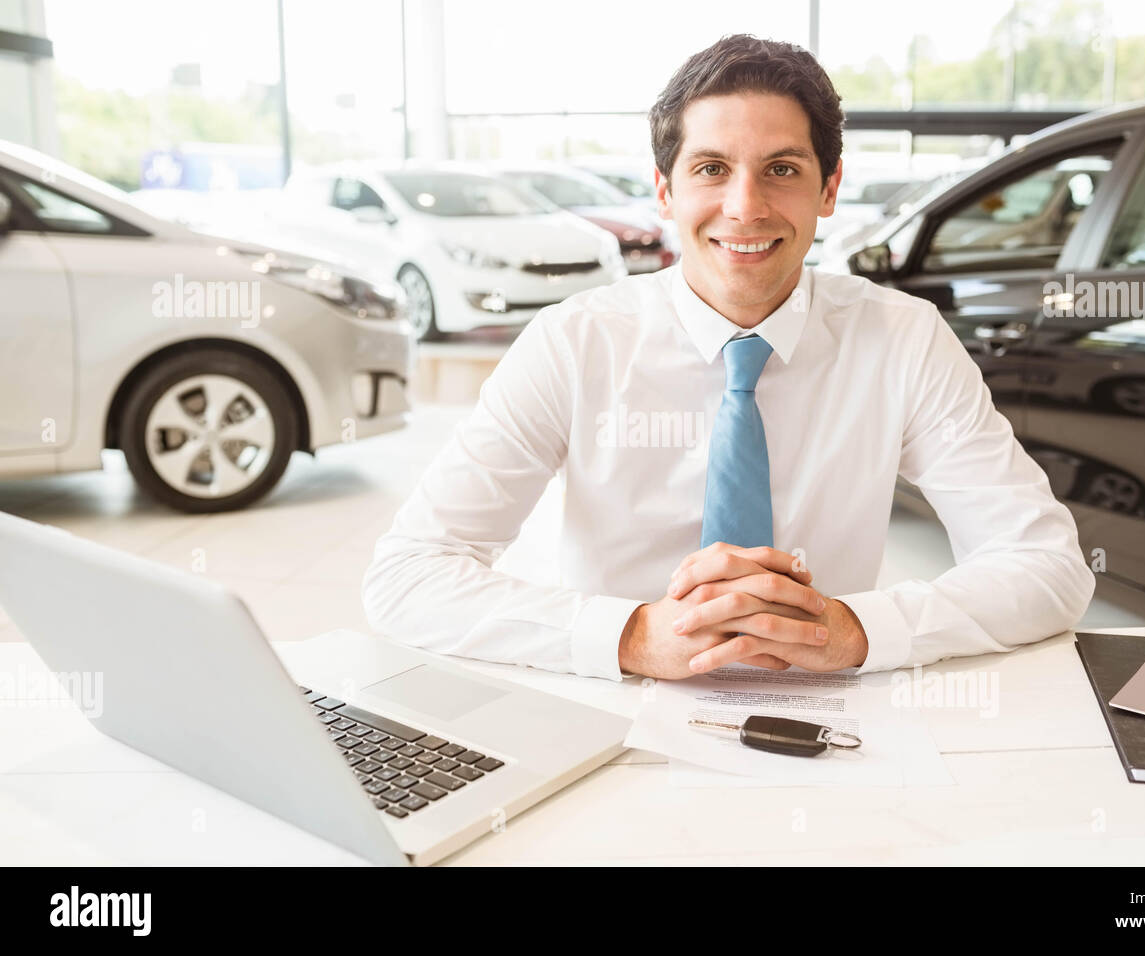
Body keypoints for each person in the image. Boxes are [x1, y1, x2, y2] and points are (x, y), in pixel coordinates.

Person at [363, 34, 1095, 682]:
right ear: (665, 191)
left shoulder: (903, 339)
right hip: (617, 700)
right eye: (712, 168)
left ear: (829, 189)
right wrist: (629, 636)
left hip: (828, 711)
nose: (745, 207)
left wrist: (860, 630)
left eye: (781, 170)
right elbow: (408, 575)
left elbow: (1049, 567)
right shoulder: (573, 343)